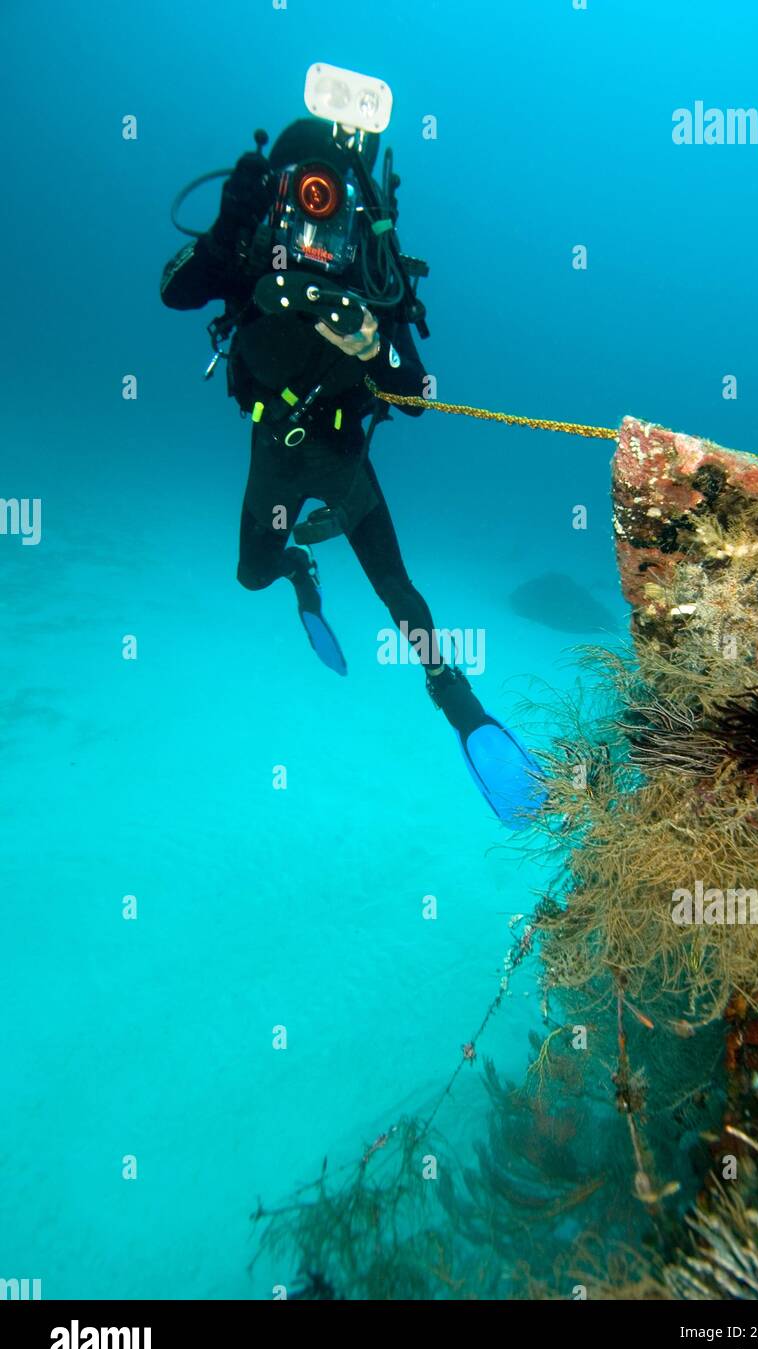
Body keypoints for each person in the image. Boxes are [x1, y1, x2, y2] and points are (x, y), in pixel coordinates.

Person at [160, 118, 542, 827]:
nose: (314, 203)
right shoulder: (248, 242)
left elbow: (417, 396)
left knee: (399, 592)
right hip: (273, 451)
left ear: (354, 197)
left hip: (342, 462)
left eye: (326, 188)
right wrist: (224, 233)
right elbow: (174, 292)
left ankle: (459, 702)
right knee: (251, 574)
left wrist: (372, 343)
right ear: (275, 188)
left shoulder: (370, 266)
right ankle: (300, 567)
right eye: (298, 185)